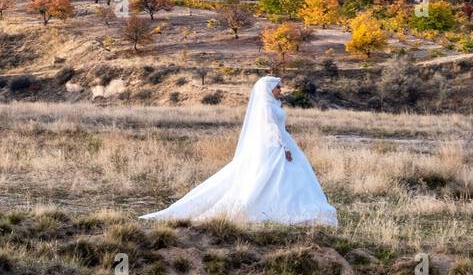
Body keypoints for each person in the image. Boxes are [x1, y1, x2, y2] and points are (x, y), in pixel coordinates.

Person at [140, 76, 337, 226]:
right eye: (277, 86)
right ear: (269, 89)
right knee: (269, 177)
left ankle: (299, 209)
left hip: (282, 142)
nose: (280, 89)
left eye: (279, 86)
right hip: (275, 145)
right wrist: (283, 147)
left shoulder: (273, 104)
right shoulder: (266, 107)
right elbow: (270, 127)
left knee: (291, 178)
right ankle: (274, 210)